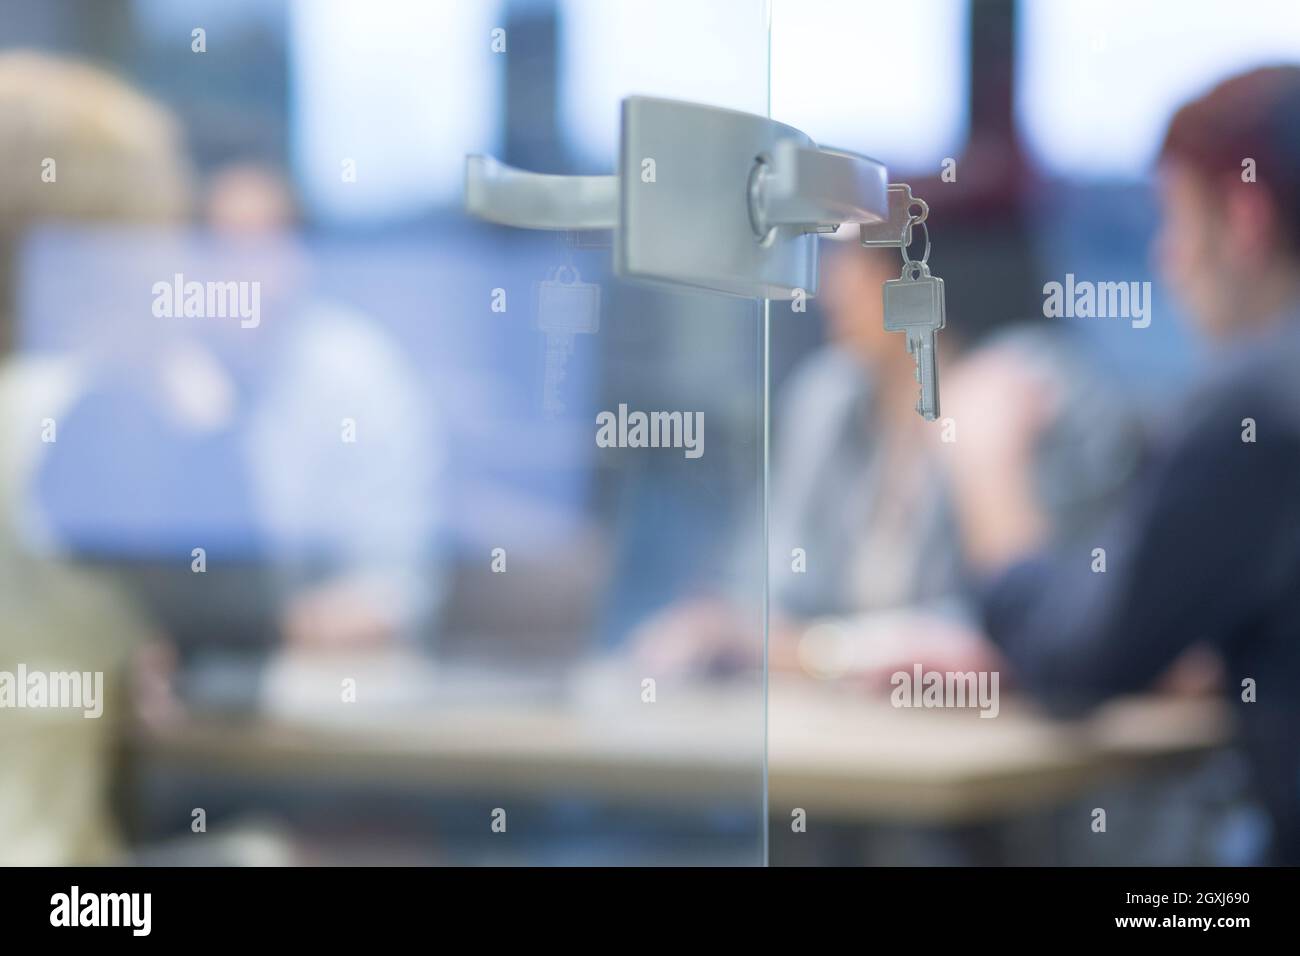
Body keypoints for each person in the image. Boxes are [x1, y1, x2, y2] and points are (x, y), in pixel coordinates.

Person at [943, 66, 1300, 865]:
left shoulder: (1260, 403)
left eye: (1174, 220)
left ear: (1243, 219)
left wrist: (989, 471)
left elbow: (1077, 662)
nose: (1166, 261)